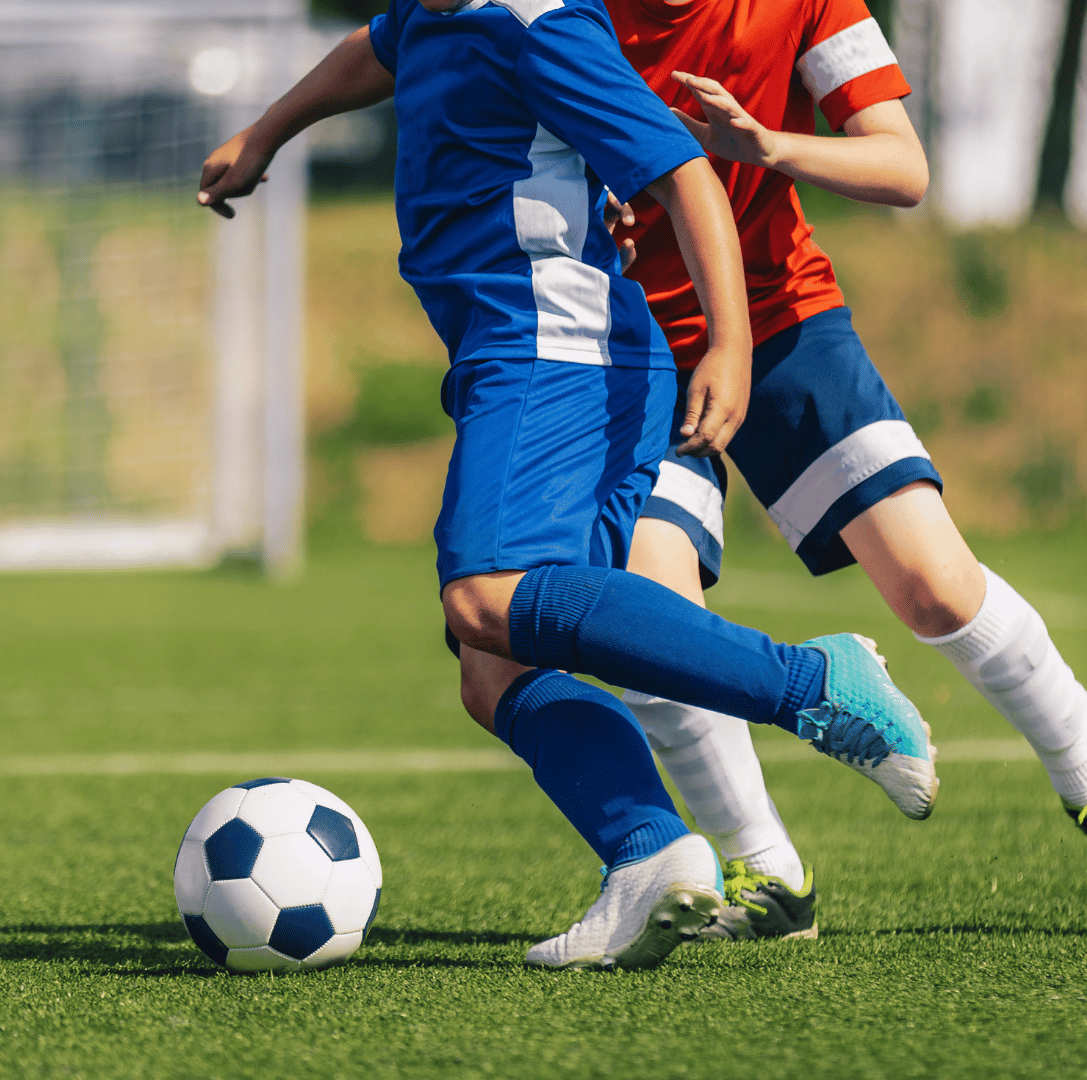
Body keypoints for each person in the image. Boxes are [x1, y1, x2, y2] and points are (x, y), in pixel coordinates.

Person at [199, 0, 938, 971]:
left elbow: (684, 177)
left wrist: (730, 340)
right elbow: (366, 54)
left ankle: (814, 682)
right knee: (491, 665)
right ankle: (650, 856)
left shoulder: (539, 23)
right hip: (523, 356)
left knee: (483, 595)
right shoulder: (436, 12)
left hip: (560, 354)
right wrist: (266, 132)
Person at [565, 0, 1087, 936]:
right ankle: (767, 871)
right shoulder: (563, 11)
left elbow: (903, 167)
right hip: (631, 343)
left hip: (781, 323)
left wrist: (765, 145)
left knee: (934, 587)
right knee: (650, 614)